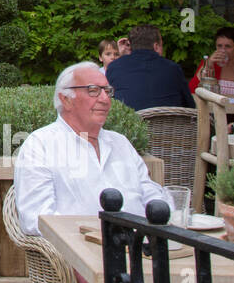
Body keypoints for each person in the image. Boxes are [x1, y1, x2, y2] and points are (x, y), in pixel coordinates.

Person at [14, 61, 172, 237]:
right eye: (93, 90)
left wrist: (169, 216)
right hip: (85, 254)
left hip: (144, 248)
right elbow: (35, 219)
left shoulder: (120, 143)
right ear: (65, 99)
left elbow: (151, 193)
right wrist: (92, 239)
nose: (105, 99)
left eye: (107, 91)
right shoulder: (41, 144)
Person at [104, 23, 193, 112]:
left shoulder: (114, 67)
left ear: (130, 46)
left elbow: (109, 102)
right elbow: (189, 105)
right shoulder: (173, 69)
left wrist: (122, 56)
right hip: (169, 124)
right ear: (156, 46)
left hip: (129, 124)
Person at [189, 25, 234, 135]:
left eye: (228, 46)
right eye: (219, 46)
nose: (223, 50)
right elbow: (192, 91)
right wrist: (208, 65)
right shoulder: (209, 65)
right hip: (211, 116)